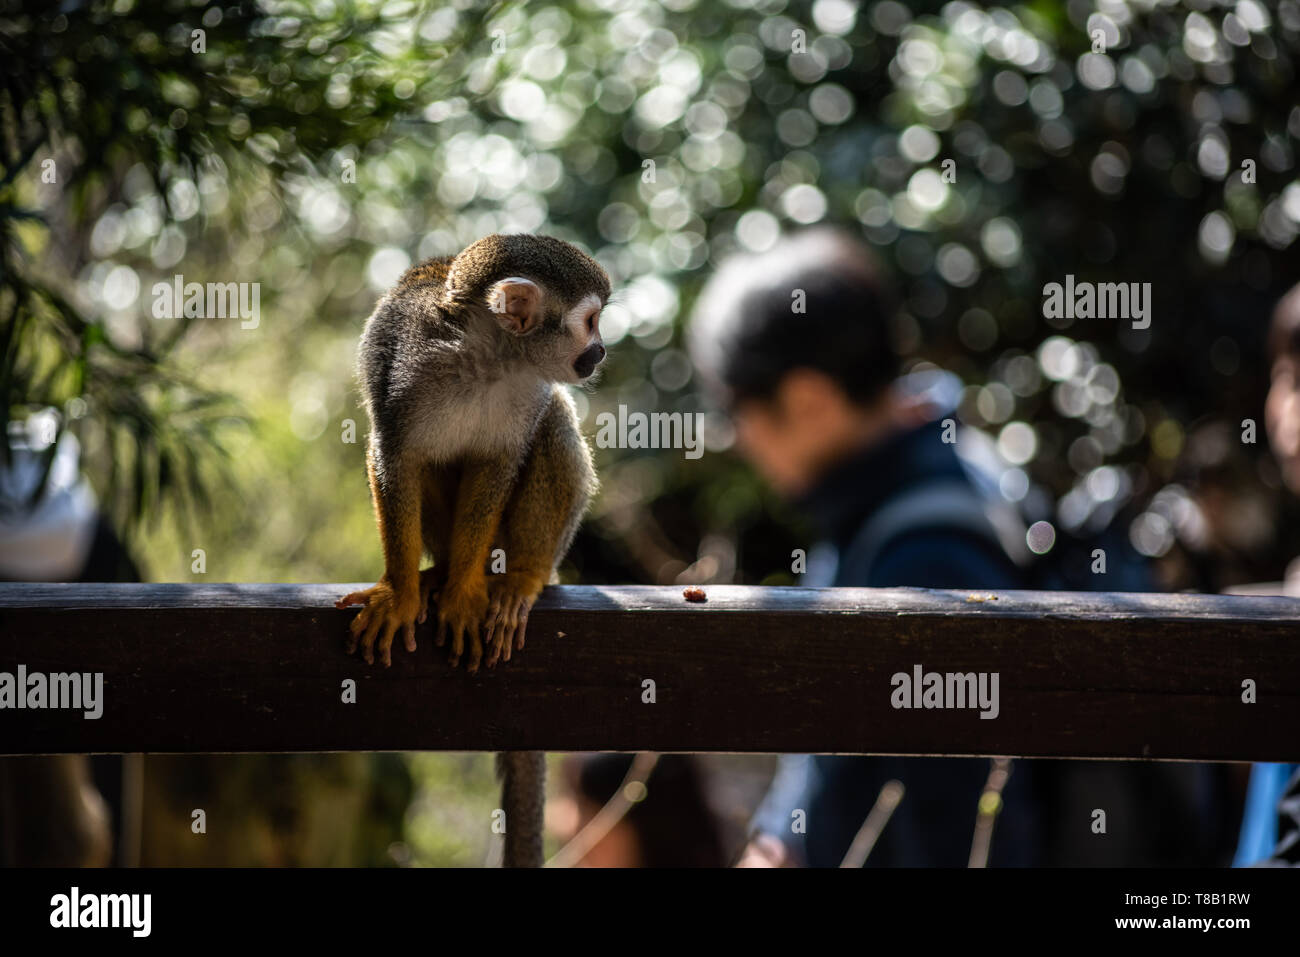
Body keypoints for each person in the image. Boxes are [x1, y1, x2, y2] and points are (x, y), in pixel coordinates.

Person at [688, 228, 1042, 867]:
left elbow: (961, 837)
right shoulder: (908, 488)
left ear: (807, 399)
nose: (737, 439)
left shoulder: (924, 563)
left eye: (735, 409)